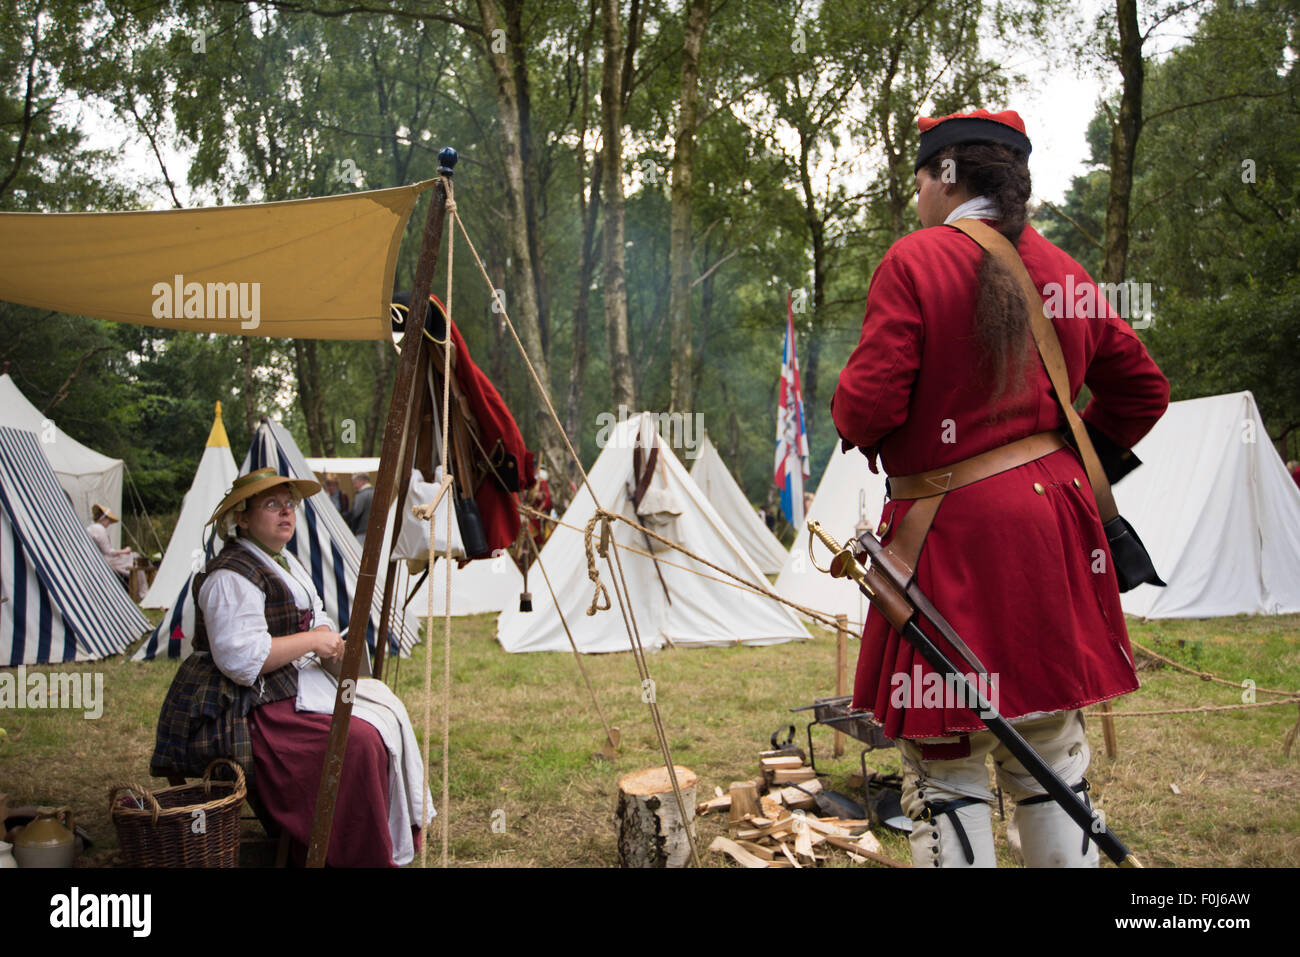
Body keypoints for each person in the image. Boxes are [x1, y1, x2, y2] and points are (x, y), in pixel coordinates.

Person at [831, 109, 1169, 868]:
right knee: (1050, 750)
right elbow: (1143, 390)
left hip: (950, 539)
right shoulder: (1067, 274)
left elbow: (867, 406)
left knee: (947, 759)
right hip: (1057, 537)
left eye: (919, 179)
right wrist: (1068, 464)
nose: (917, 196)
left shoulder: (915, 262)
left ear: (943, 177)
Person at [150, 467, 433, 866]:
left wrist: (326, 638)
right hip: (242, 706)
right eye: (272, 505)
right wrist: (314, 641)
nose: (286, 513)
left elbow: (313, 611)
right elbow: (242, 660)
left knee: (383, 712)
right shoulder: (230, 576)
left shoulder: (283, 561)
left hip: (287, 685)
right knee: (358, 741)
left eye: (289, 505)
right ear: (242, 519)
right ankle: (346, 850)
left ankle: (378, 839)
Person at [86, 504, 135, 585]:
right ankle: (140, 591)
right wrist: (124, 551)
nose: (109, 523)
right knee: (133, 558)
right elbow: (108, 551)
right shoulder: (99, 529)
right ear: (104, 518)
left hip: (95, 559)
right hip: (101, 561)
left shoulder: (92, 527)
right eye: (109, 520)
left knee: (130, 558)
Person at [346, 472, 374, 545]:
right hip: (374, 531)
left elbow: (355, 512)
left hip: (361, 531)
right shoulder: (375, 492)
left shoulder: (361, 494)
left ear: (362, 480)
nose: (353, 485)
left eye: (354, 482)